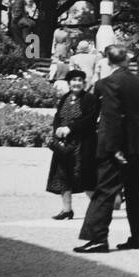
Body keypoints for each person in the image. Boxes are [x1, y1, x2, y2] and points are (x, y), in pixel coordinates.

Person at [75, 45, 139, 253]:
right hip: (138, 143)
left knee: (105, 191)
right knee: (135, 192)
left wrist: (116, 147)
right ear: (127, 59)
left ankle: (97, 237)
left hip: (116, 145)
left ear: (108, 62)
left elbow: (113, 117)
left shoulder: (106, 84)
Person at [46, 68, 98, 220]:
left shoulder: (90, 99)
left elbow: (90, 119)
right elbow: (57, 117)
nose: (77, 83)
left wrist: (70, 128)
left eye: (80, 81)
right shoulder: (65, 98)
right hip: (64, 145)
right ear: (69, 83)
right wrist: (57, 130)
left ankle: (97, 209)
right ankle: (67, 209)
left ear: (84, 83)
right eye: (74, 80)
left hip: (82, 145)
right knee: (63, 177)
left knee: (85, 178)